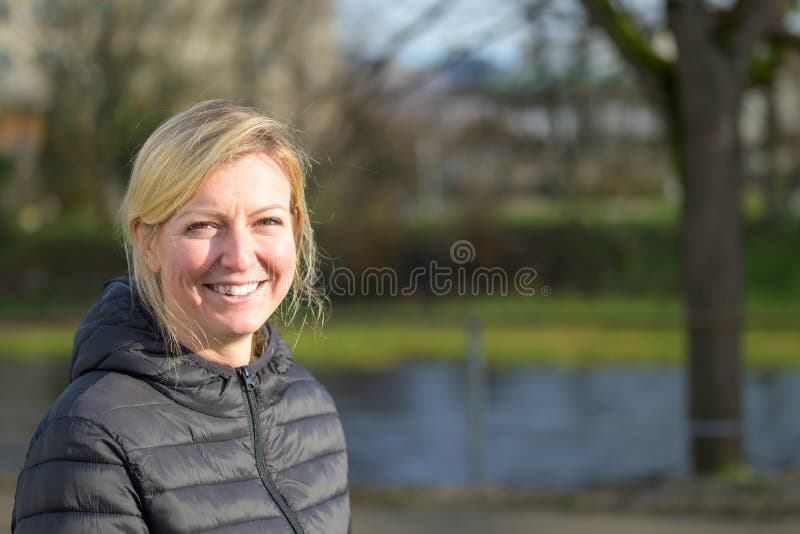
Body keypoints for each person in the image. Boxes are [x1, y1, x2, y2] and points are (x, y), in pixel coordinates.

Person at [11, 100, 350, 533]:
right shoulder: (90, 436)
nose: (240, 257)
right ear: (148, 243)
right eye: (203, 225)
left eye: (266, 221)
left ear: (295, 231)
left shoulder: (312, 409)